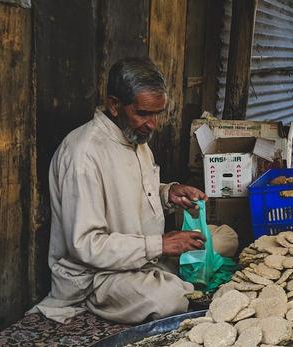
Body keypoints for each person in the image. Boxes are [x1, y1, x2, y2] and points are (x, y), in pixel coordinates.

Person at [29, 57, 209, 324]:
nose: (153, 124)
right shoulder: (84, 155)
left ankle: (168, 279)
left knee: (221, 239)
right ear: (114, 105)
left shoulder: (135, 138)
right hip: (96, 277)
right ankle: (163, 286)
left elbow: (130, 193)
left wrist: (167, 193)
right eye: (144, 113)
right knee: (169, 299)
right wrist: (160, 244)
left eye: (157, 114)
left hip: (140, 259)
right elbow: (87, 245)